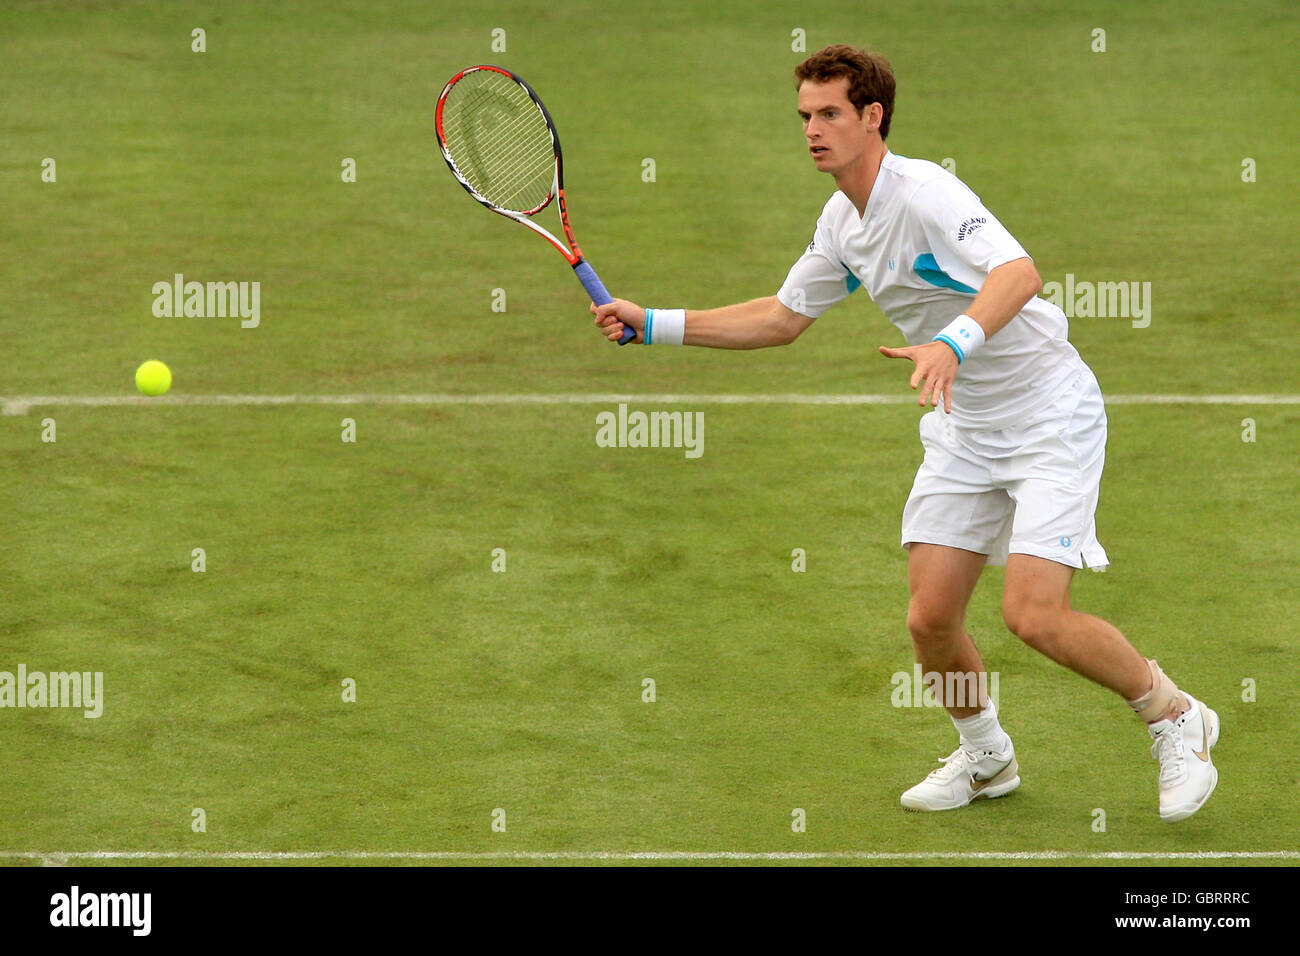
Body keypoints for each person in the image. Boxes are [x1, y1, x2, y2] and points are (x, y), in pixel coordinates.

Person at [591, 44, 1219, 821]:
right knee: (930, 619)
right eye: (805, 117)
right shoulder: (842, 220)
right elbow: (783, 318)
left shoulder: (925, 193)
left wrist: (952, 343)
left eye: (829, 115)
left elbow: (1019, 276)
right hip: (966, 425)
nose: (813, 131)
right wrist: (651, 324)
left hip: (1047, 411)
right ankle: (987, 757)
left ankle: (1175, 717)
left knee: (1034, 614)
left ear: (872, 117)